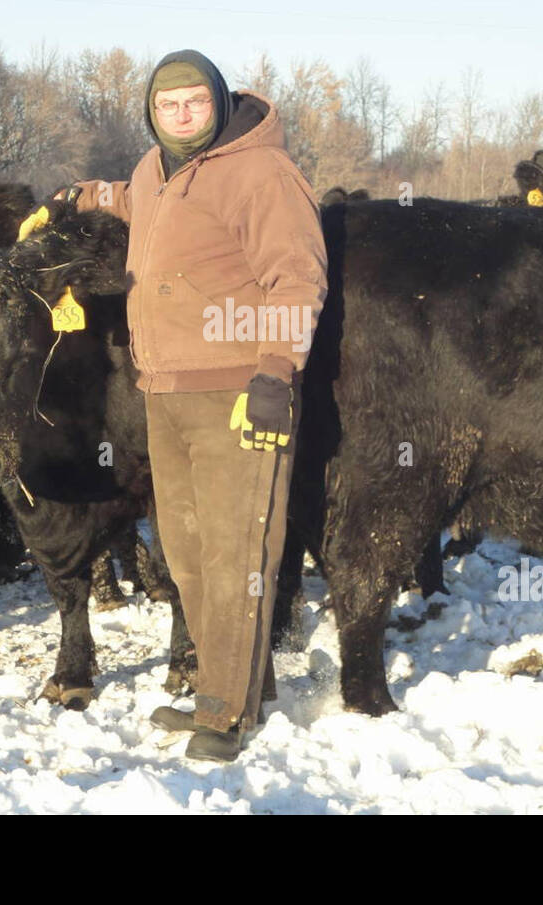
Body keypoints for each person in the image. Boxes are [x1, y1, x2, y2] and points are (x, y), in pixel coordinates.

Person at [59, 49, 327, 761]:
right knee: (186, 551)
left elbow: (298, 279)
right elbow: (132, 199)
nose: (181, 116)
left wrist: (275, 374)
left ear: (218, 102)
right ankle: (232, 687)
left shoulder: (261, 171)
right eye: (167, 105)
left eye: (194, 104)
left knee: (238, 548)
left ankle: (227, 713)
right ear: (152, 111)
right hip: (165, 387)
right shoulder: (155, 168)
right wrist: (84, 196)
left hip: (240, 389)